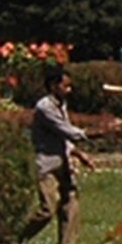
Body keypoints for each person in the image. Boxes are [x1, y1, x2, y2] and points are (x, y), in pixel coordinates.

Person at [27, 77, 83, 233]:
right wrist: (94, 133)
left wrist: (77, 153)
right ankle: (16, 237)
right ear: (53, 85)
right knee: (48, 209)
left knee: (70, 203)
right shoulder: (45, 108)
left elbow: (62, 137)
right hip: (47, 165)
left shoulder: (62, 105)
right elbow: (66, 130)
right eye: (65, 86)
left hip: (63, 163)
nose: (69, 90)